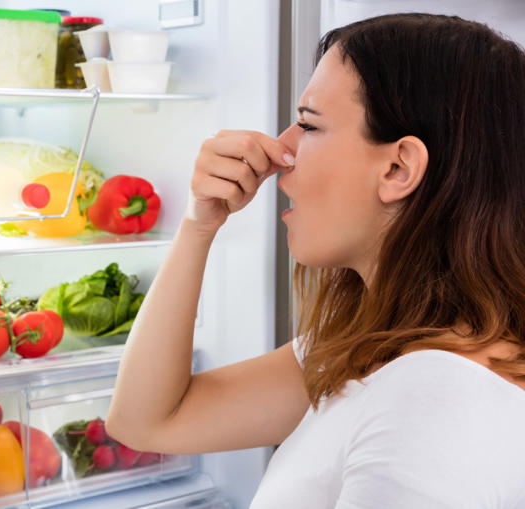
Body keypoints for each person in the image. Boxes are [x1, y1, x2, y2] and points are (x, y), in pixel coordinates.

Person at [105, 13, 525, 509]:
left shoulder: (433, 393)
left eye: (308, 124)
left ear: (397, 167)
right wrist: (199, 226)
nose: (281, 150)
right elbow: (148, 421)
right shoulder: (378, 348)